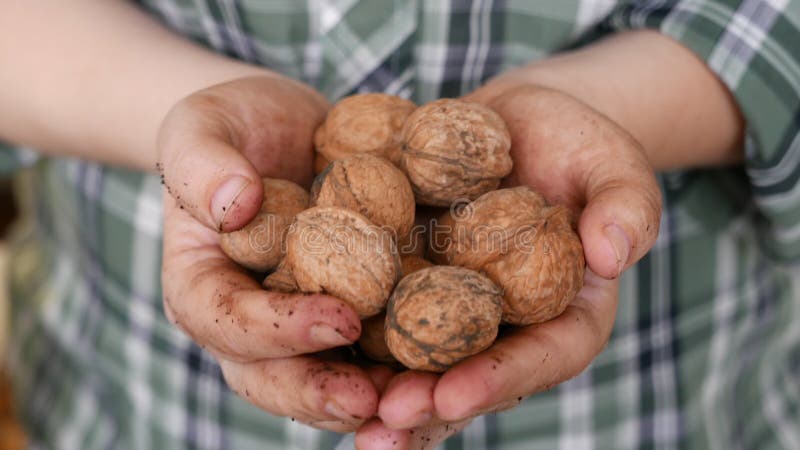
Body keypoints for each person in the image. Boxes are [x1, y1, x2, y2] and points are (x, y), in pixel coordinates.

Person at [1, 1, 798, 448]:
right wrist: (195, 125)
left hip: (665, 404)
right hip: (137, 400)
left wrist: (609, 106)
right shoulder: (337, 204)